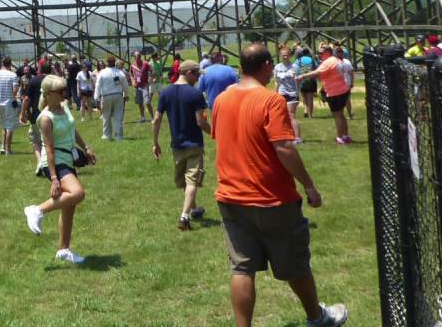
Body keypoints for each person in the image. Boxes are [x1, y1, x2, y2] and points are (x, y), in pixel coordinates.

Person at [211, 44, 347, 327]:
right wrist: (309, 185)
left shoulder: (222, 100)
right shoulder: (271, 100)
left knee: (241, 268)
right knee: (295, 264)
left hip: (230, 197)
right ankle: (316, 317)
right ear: (267, 66)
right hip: (271, 197)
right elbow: (284, 147)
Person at [23, 74, 96, 264]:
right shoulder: (45, 118)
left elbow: (73, 129)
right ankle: (36, 210)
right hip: (54, 162)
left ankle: (64, 250)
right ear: (48, 94)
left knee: (69, 205)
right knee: (78, 193)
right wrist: (54, 178)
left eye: (65, 89)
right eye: (61, 91)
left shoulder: (64, 107)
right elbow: (48, 148)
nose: (65, 94)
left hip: (68, 159)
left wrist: (86, 147)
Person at [152, 60, 210, 230]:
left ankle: (194, 209)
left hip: (176, 145)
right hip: (194, 143)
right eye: (197, 74)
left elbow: (156, 120)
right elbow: (201, 121)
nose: (198, 78)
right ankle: (184, 217)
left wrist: (155, 143)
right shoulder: (195, 94)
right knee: (191, 182)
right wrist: (215, 132)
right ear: (190, 73)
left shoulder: (165, 93)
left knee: (185, 181)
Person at [297, 46, 352, 144]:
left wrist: (302, 76)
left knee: (338, 116)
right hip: (343, 90)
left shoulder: (328, 62)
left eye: (321, 52)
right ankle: (346, 136)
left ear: (327, 52)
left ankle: (340, 138)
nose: (319, 54)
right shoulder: (335, 60)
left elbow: (317, 73)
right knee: (341, 115)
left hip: (335, 92)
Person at [93, 56, 128, 140]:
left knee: (106, 116)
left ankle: (107, 135)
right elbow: (125, 85)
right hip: (118, 95)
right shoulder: (119, 72)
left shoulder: (102, 72)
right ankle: (119, 136)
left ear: (106, 63)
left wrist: (96, 98)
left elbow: (98, 85)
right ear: (115, 62)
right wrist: (125, 95)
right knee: (118, 116)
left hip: (106, 96)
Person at [273, 49, 303, 143]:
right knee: (282, 116)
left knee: (291, 115)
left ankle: (297, 138)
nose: (285, 57)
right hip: (281, 93)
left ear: (290, 55)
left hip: (292, 93)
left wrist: (298, 90)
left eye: (286, 55)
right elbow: (277, 82)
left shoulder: (295, 67)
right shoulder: (277, 67)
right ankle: (286, 135)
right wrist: (275, 93)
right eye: (283, 55)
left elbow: (300, 80)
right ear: (280, 56)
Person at [22, 63, 48, 159]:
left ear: (39, 69)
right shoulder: (55, 80)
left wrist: (22, 114)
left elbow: (27, 99)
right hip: (53, 112)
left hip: (38, 113)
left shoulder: (34, 80)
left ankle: (41, 161)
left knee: (35, 140)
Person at [130, 52, 152, 123]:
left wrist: (150, 78)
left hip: (145, 86)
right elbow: (131, 74)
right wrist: (132, 80)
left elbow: (152, 71)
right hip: (137, 87)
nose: (138, 58)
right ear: (134, 58)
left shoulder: (145, 64)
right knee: (140, 103)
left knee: (147, 102)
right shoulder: (132, 65)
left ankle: (152, 117)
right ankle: (143, 117)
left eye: (139, 57)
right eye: (136, 57)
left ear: (140, 57)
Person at [297, 49, 318, 119]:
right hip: (311, 80)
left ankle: (305, 110)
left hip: (302, 80)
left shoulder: (299, 60)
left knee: (304, 97)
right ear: (308, 53)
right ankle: (310, 115)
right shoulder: (312, 59)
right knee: (310, 99)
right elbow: (316, 68)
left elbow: (296, 68)